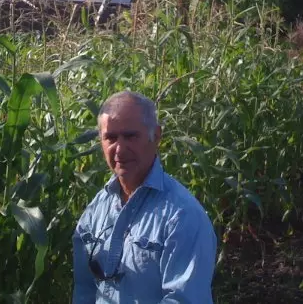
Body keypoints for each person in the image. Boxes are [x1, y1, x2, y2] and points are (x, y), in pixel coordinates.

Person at [72, 91, 217, 303]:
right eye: (110, 138)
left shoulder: (182, 216)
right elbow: (84, 290)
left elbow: (183, 299)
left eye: (131, 136)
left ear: (156, 136)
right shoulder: (96, 210)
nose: (119, 149)